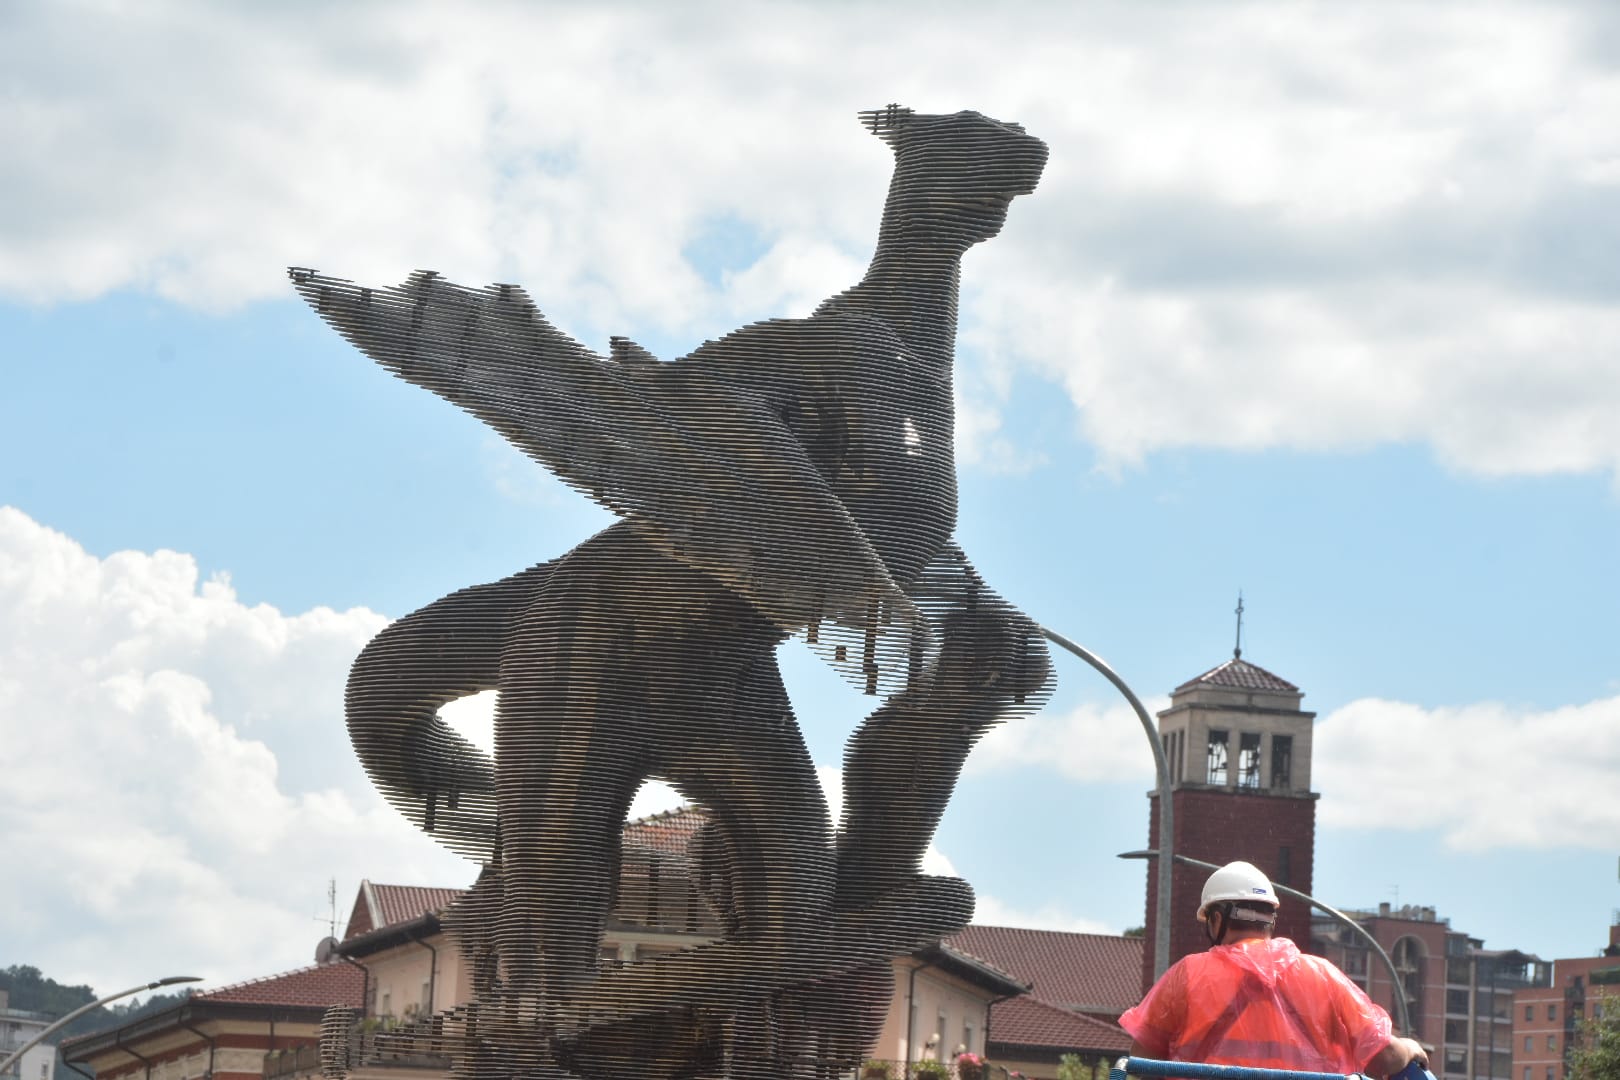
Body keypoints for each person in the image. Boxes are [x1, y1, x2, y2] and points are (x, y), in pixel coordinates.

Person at [1120, 861, 1429, 1078]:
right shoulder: (1323, 975)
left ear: (1217, 920)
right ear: (1270, 918)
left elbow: (1143, 1061)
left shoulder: (1186, 976)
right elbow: (1384, 1059)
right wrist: (1410, 1048)